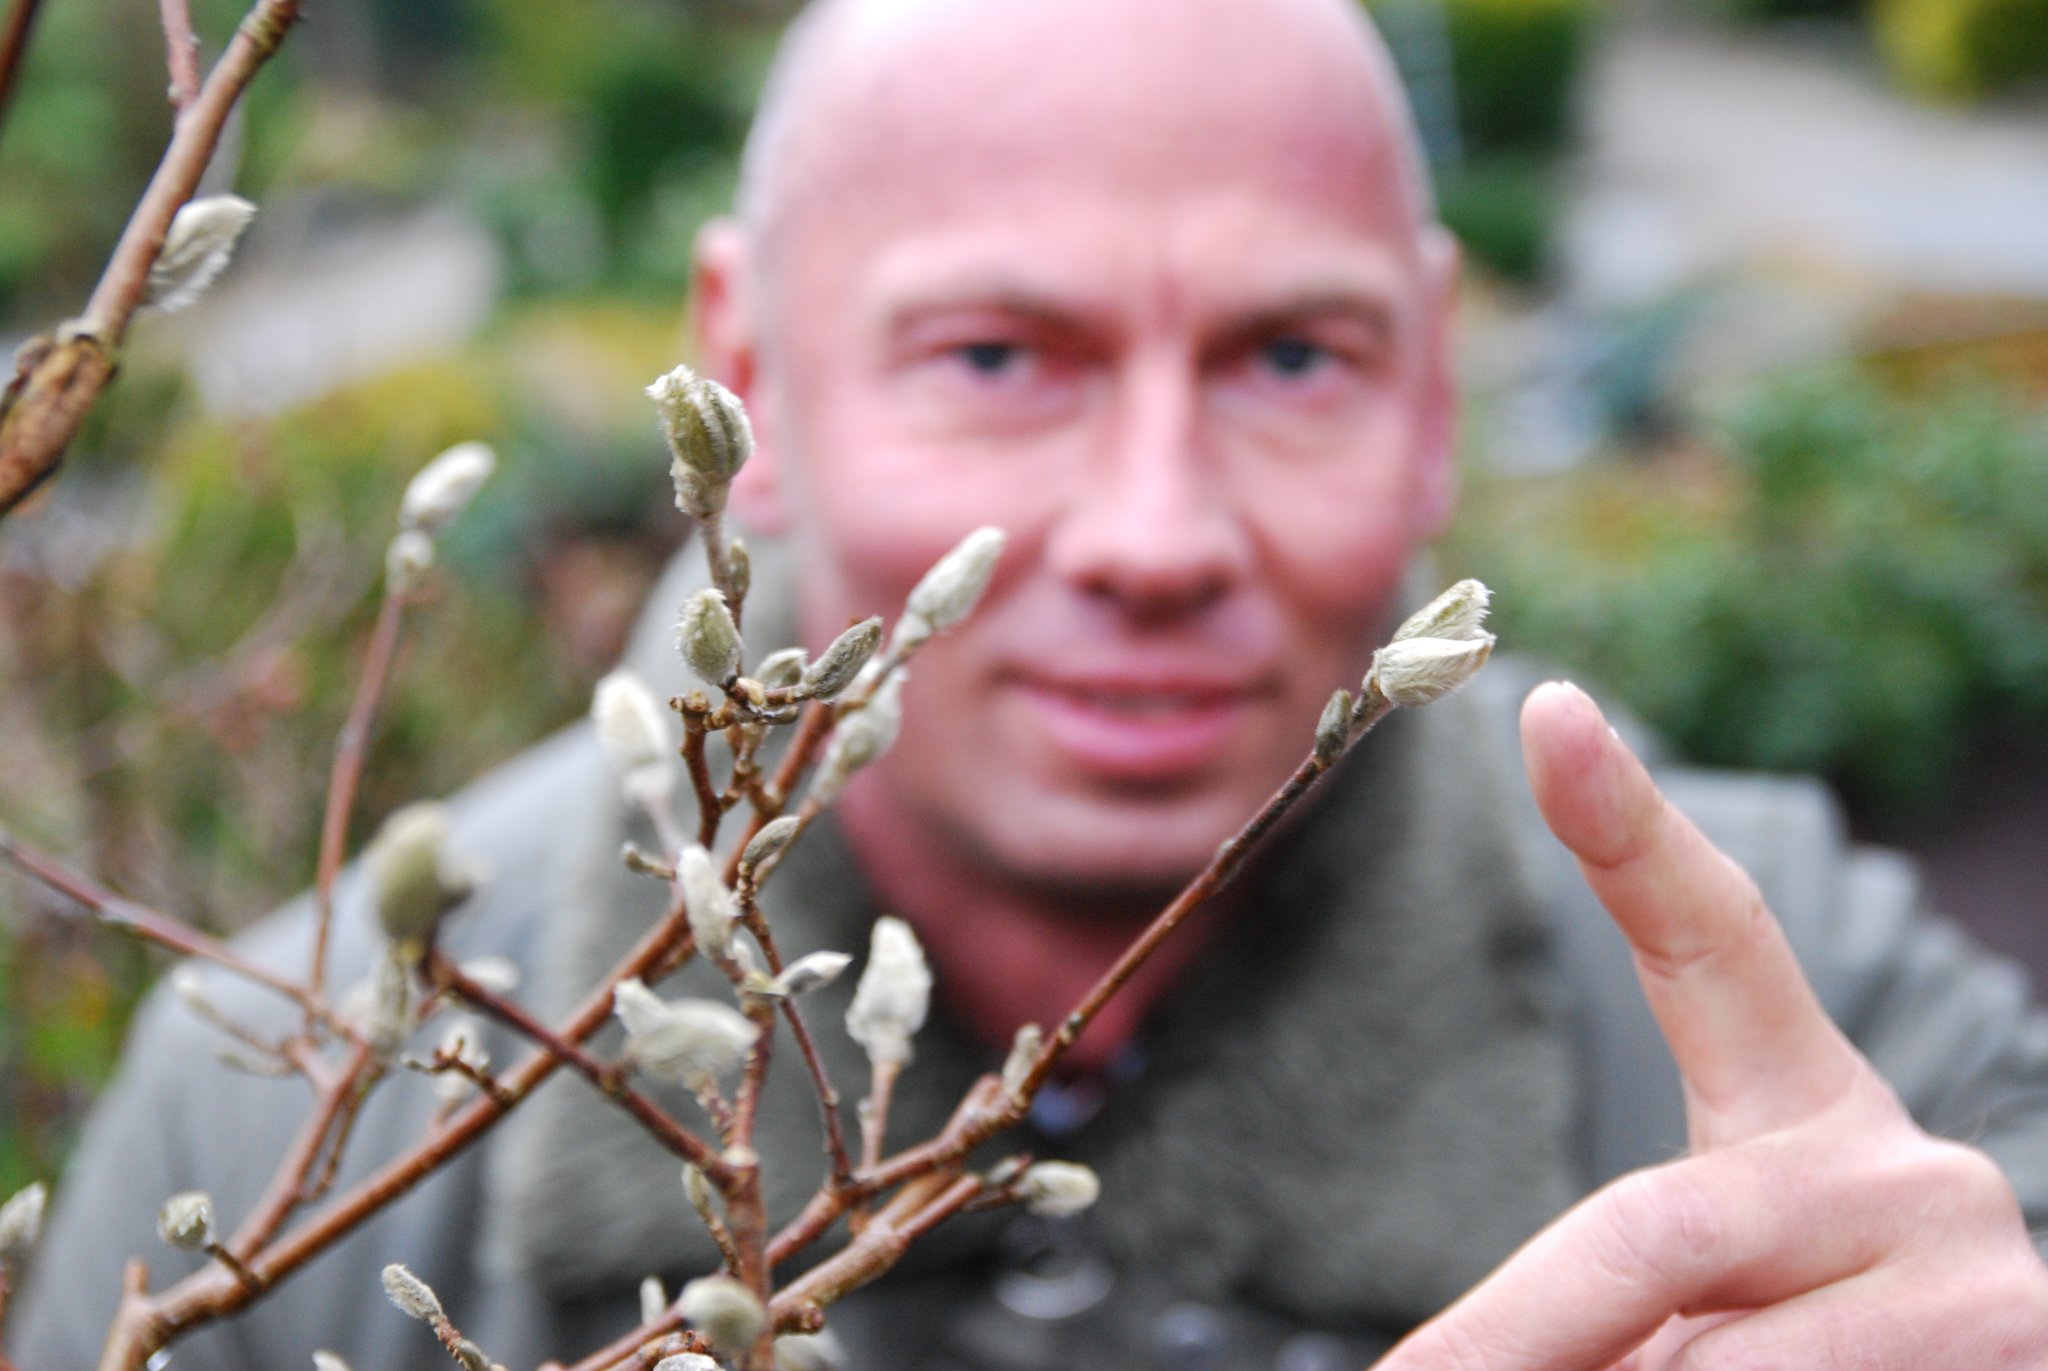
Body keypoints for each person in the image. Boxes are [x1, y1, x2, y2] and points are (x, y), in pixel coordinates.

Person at [14, 0, 2048, 1367]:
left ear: (1434, 386)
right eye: (996, 359)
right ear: (749, 371)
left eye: (1287, 359)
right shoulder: (304, 1109)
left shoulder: (1818, 1048)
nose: (1155, 533)